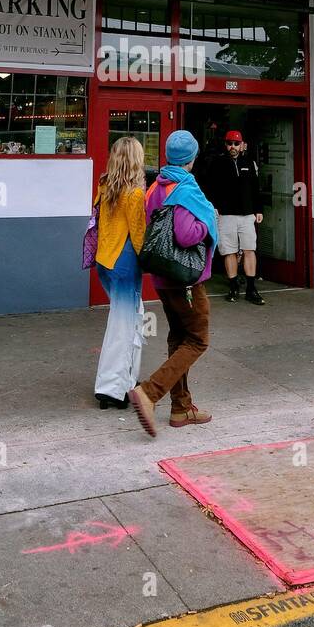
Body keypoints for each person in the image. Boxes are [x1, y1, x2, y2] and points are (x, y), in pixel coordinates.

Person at [128, 130, 218, 438]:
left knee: (178, 338)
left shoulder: (156, 186)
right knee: (198, 340)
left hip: (163, 277)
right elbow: (185, 234)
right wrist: (208, 220)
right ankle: (149, 392)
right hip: (186, 279)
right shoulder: (186, 187)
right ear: (192, 158)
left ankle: (181, 407)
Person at [93, 137, 147, 409]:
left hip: (105, 259)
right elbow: (138, 234)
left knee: (134, 319)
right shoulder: (134, 194)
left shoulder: (105, 185)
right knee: (123, 326)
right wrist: (150, 261)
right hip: (125, 262)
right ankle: (111, 389)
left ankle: (127, 379)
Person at [203, 129, 265, 304]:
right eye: (230, 143)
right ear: (225, 145)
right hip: (226, 214)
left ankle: (251, 289)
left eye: (236, 143)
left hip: (247, 214)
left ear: (242, 145)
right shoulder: (217, 163)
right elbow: (209, 187)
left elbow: (255, 188)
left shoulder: (249, 163)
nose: (233, 147)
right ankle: (233, 287)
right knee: (229, 251)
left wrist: (258, 209)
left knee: (249, 250)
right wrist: (213, 206)